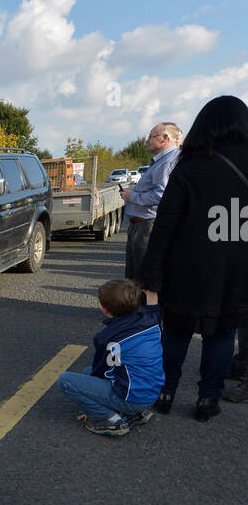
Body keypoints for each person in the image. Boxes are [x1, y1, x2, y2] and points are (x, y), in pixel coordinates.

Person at [137, 95, 248, 419]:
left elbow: (166, 224)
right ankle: (207, 400)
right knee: (223, 333)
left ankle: (166, 391)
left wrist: (151, 273)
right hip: (237, 268)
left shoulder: (192, 165)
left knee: (176, 332)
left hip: (189, 264)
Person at [57, 279, 164, 436]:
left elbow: (102, 371)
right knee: (88, 371)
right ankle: (134, 414)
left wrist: (90, 406)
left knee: (65, 380)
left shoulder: (110, 338)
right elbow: (154, 309)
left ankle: (111, 419)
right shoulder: (151, 320)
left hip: (133, 398)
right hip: (152, 392)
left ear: (104, 309)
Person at [121, 123, 182, 277]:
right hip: (143, 224)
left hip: (148, 224)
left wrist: (132, 197)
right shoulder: (163, 161)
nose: (147, 140)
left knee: (142, 276)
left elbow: (162, 195)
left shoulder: (167, 162)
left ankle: (143, 302)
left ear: (164, 138)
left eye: (151, 136)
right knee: (137, 274)